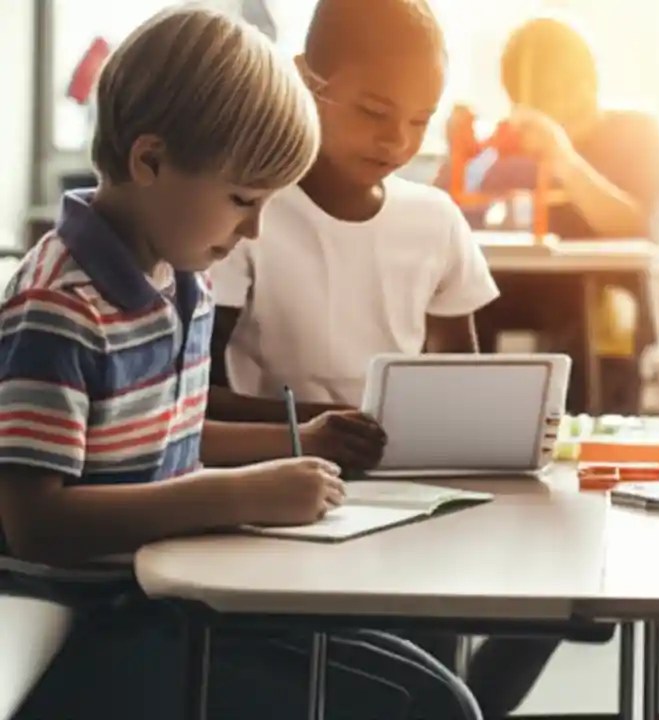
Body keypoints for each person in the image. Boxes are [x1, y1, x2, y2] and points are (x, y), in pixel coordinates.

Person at [0, 7, 479, 719]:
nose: (255, 228)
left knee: (429, 672)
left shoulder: (178, 278)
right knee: (424, 704)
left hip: (173, 587)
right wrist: (240, 494)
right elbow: (35, 522)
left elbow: (167, 436)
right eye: (242, 200)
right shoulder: (60, 306)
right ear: (150, 161)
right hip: (89, 621)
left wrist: (301, 444)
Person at [207, 0, 499, 476]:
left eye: (420, 121)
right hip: (268, 475)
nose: (398, 141)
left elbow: (458, 391)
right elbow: (196, 402)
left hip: (401, 480)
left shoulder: (435, 220)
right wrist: (325, 431)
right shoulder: (245, 213)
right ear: (305, 80)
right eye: (373, 112)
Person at [437, 15, 659, 414]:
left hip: (605, 294)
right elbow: (447, 216)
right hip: (524, 286)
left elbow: (639, 226)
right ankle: (459, 418)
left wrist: (563, 157)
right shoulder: (514, 143)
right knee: (460, 297)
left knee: (582, 311)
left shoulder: (636, 131)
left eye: (571, 81)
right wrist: (460, 153)